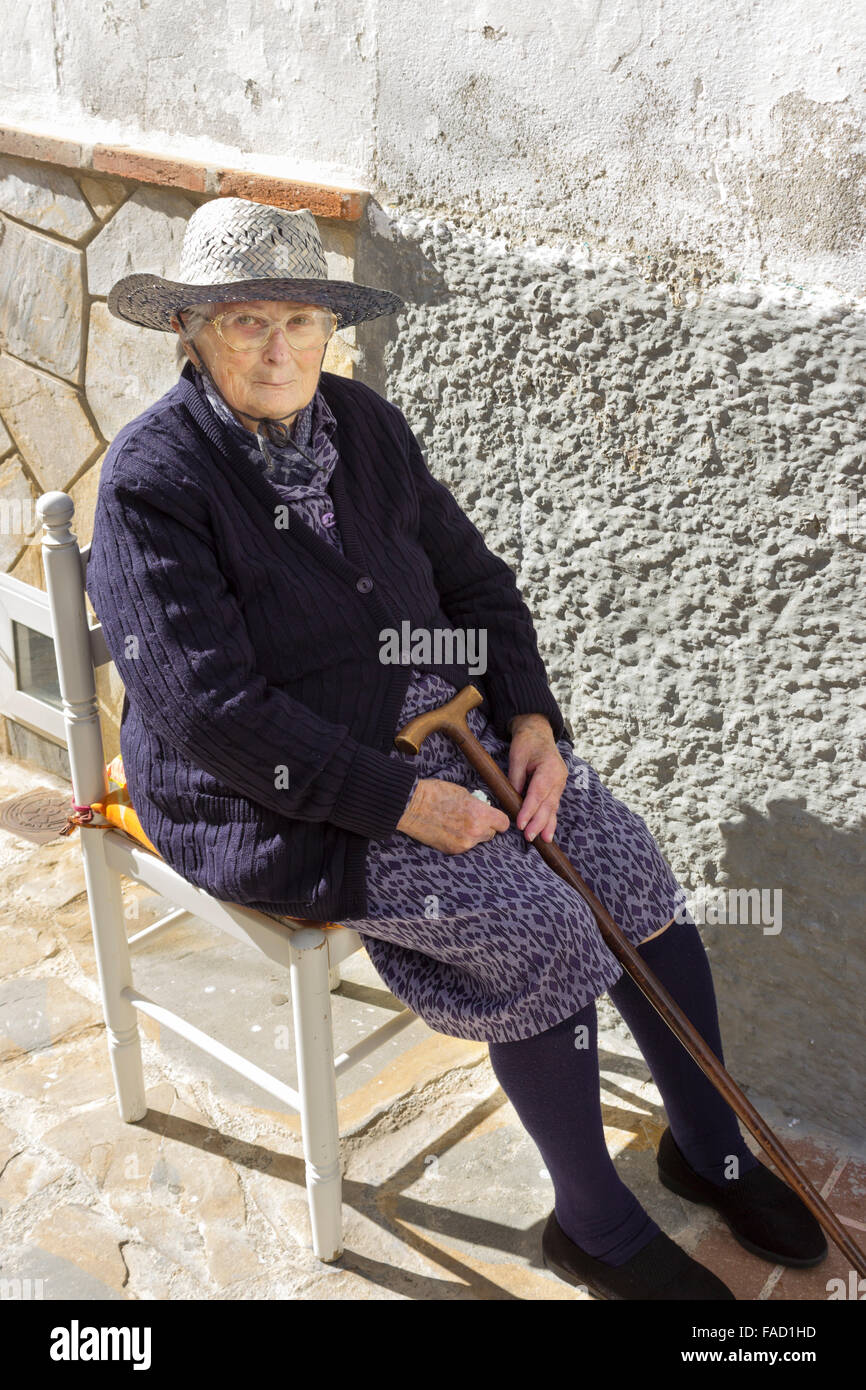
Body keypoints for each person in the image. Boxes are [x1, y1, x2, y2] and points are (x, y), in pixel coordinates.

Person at [87, 196, 826, 1300]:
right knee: (534, 927)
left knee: (627, 867)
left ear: (329, 327)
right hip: (280, 792)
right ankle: (594, 1227)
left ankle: (706, 1147)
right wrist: (401, 803)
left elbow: (472, 584)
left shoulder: (361, 425)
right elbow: (207, 709)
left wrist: (530, 720)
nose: (280, 348)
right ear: (190, 331)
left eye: (300, 318)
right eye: (245, 322)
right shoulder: (156, 480)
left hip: (446, 728)